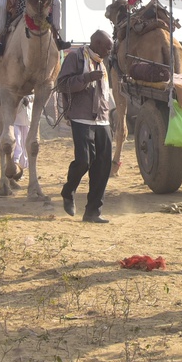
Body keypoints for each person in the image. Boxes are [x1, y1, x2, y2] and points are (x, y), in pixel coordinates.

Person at [58, 30, 114, 222]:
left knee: (103, 165)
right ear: (97, 43)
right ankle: (68, 191)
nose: (109, 51)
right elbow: (63, 85)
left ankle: (92, 212)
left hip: (102, 118)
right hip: (81, 118)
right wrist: (87, 78)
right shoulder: (75, 57)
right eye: (108, 47)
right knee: (84, 161)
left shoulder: (101, 61)